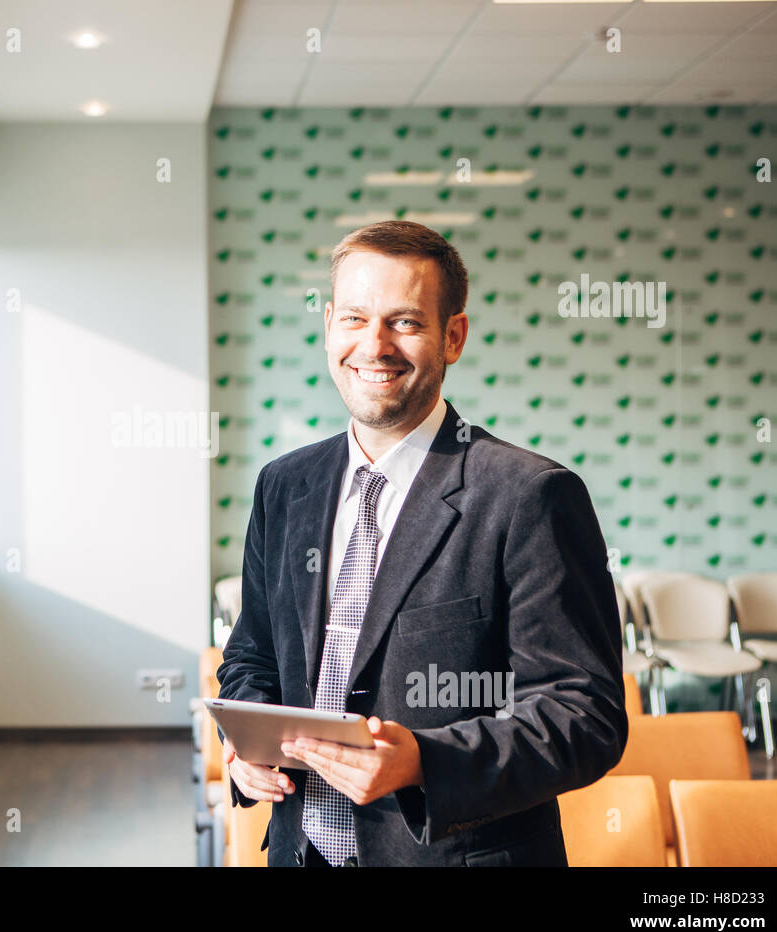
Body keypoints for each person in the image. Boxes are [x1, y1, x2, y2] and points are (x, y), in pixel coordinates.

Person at [217, 220, 627, 866]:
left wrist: (426, 764)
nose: (374, 345)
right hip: (303, 852)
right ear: (329, 326)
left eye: (404, 322)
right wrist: (246, 742)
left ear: (453, 336)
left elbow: (586, 715)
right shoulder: (283, 486)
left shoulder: (529, 496)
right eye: (354, 319)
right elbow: (253, 654)